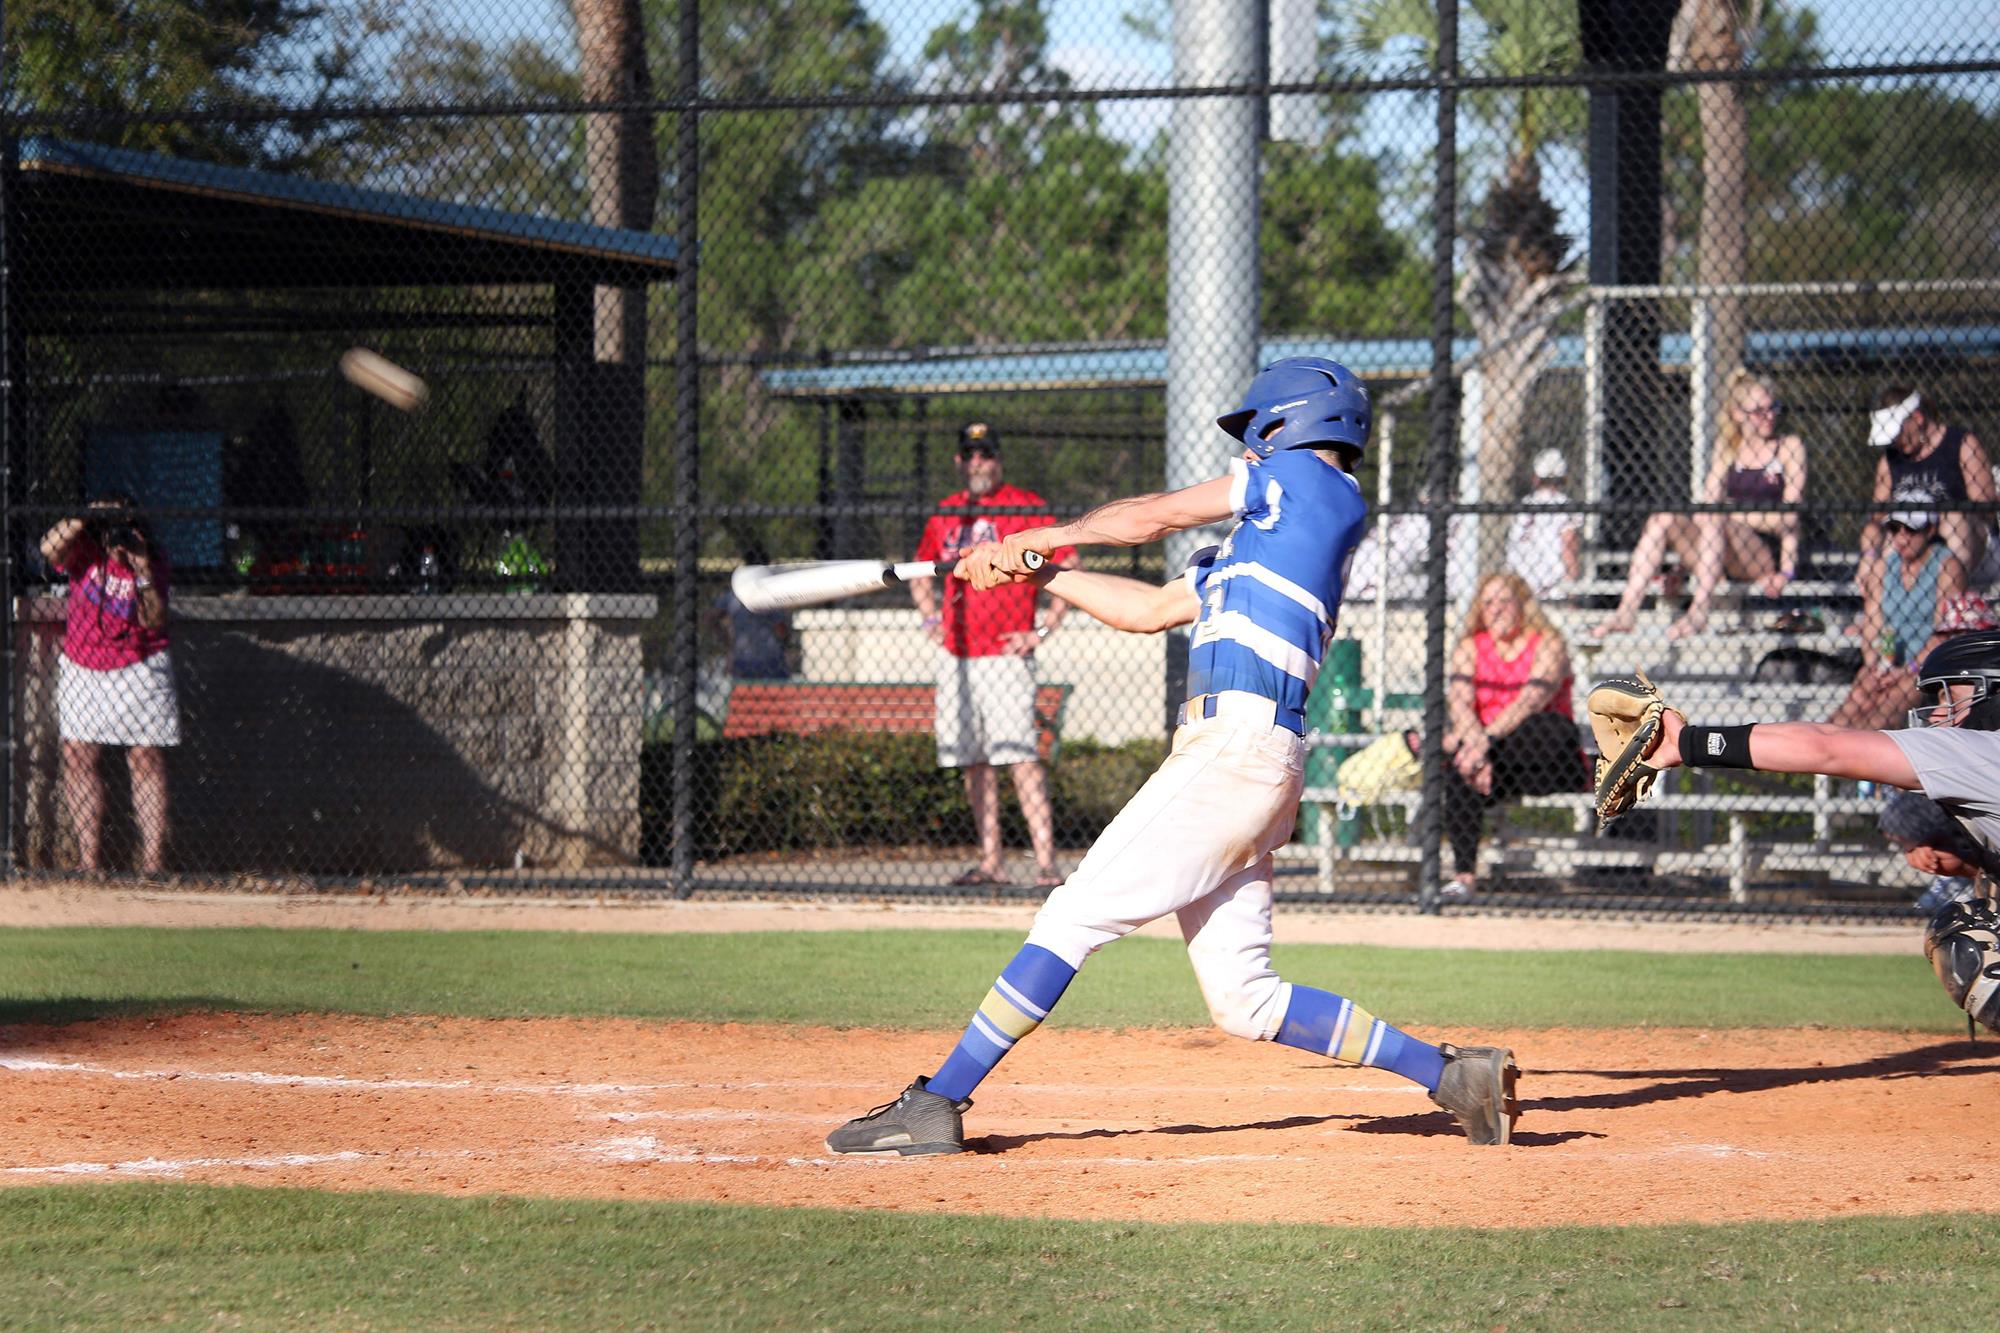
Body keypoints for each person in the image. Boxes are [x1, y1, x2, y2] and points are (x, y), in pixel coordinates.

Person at [825, 357, 1521, 1157]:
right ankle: (1452, 1075)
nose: (1249, 450)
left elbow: (1155, 516)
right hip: (1248, 759)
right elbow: (1151, 608)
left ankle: (939, 1098)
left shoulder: (1312, 484)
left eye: (1257, 434)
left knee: (1071, 914)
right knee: (1245, 998)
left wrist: (1050, 532)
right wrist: (1039, 570)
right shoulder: (1260, 548)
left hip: (1234, 748)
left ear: (1291, 424)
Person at [1631, 627, 2000, 1034]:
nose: (1937, 713)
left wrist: (1688, 743)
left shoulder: (1982, 750)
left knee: (1967, 934)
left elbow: (1825, 746)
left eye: (1951, 697)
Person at [909, 422, 1077, 891]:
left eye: (985, 454)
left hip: (1005, 655)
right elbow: (921, 572)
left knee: (1020, 757)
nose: (977, 462)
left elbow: (1069, 566)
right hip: (957, 656)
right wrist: (930, 620)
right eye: (970, 454)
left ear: (998, 460)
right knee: (974, 761)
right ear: (958, 461)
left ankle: (1046, 866)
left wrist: (1041, 630)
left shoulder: (1025, 507)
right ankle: (991, 862)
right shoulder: (946, 513)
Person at [1591, 370, 1806, 640]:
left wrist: (1785, 570)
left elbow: (1788, 519)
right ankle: (1626, 611)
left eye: (1773, 408)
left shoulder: (1788, 447)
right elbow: (1707, 507)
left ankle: (1699, 611)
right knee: (1663, 518)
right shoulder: (1727, 449)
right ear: (1737, 414)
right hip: (1718, 550)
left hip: (1759, 554)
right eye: (1758, 411)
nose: (1769, 416)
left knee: (1716, 517)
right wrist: (1681, 567)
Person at [39, 495, 180, 874]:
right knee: (78, 756)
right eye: (113, 527)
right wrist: (86, 517)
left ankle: (152, 865)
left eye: (126, 526)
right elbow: (48, 548)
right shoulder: (84, 551)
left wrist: (141, 568)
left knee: (145, 757)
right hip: (84, 664)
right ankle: (89, 864)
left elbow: (153, 620)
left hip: (141, 663)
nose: (119, 536)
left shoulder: (150, 558)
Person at [1441, 572, 1589, 897]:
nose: (1496, 609)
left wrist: (1484, 744)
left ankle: (1476, 756)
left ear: (1524, 605)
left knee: (1542, 727)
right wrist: (1477, 748)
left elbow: (1531, 700)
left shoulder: (1548, 642)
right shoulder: (1469, 647)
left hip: (1545, 760)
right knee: (1460, 768)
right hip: (1493, 765)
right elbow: (1460, 704)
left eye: (1505, 601)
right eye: (1488, 603)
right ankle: (1464, 876)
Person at [1828, 486, 1965, 730]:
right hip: (1887, 661)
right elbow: (1872, 623)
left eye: (1911, 529)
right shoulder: (1883, 566)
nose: (1902, 537)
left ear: (1930, 530)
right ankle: (1822, 749)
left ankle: (1858, 750)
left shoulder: (1947, 565)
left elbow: (1942, 634)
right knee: (1858, 696)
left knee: (1893, 701)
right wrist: (1875, 665)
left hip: (1924, 664)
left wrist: (1906, 670)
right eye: (1894, 528)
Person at [1859, 386, 1997, 589]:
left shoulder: (1961, 443)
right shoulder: (1889, 462)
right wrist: (1869, 558)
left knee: (1954, 518)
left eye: (1897, 432)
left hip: (1970, 541)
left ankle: (1949, 591)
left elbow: (1987, 510)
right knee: (1892, 534)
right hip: (1914, 542)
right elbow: (1875, 520)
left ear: (1917, 418)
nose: (1894, 442)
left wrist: (1935, 516)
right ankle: (1895, 598)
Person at [1506, 448, 1583, 599]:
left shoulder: (1524, 505)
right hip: (1552, 589)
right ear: (1564, 478)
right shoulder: (1564, 505)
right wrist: (1571, 591)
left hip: (1519, 587)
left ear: (1536, 478)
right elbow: (1568, 545)